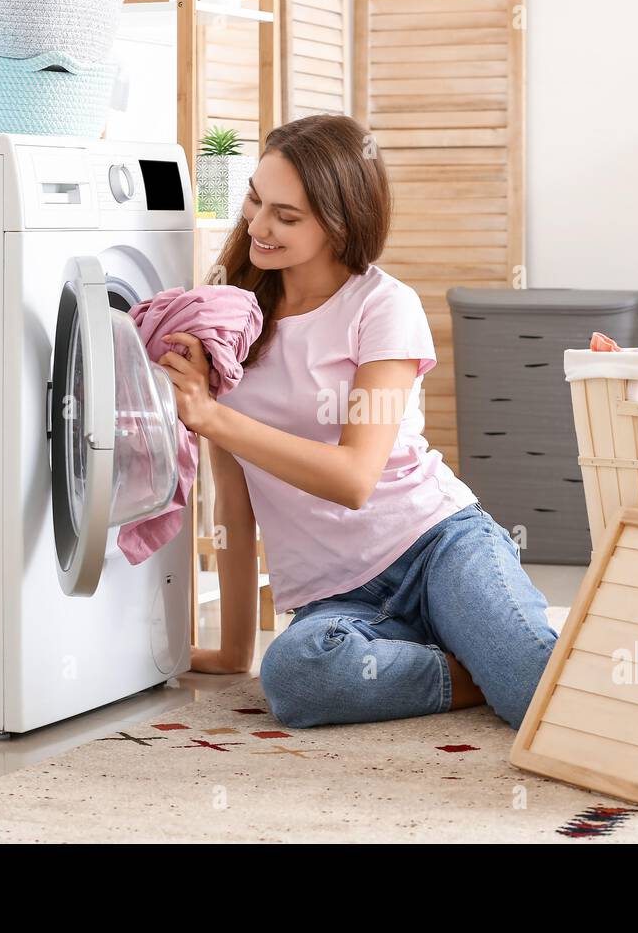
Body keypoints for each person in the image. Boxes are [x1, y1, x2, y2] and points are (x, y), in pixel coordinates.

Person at [158, 114, 557, 729]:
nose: (258, 226)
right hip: (338, 600)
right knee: (294, 678)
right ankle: (471, 663)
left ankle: (503, 655)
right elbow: (233, 502)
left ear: (340, 222)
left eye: (286, 216)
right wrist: (235, 650)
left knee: (538, 694)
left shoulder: (383, 305)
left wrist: (212, 417)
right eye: (255, 200)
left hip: (436, 546)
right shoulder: (234, 314)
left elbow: (354, 478)